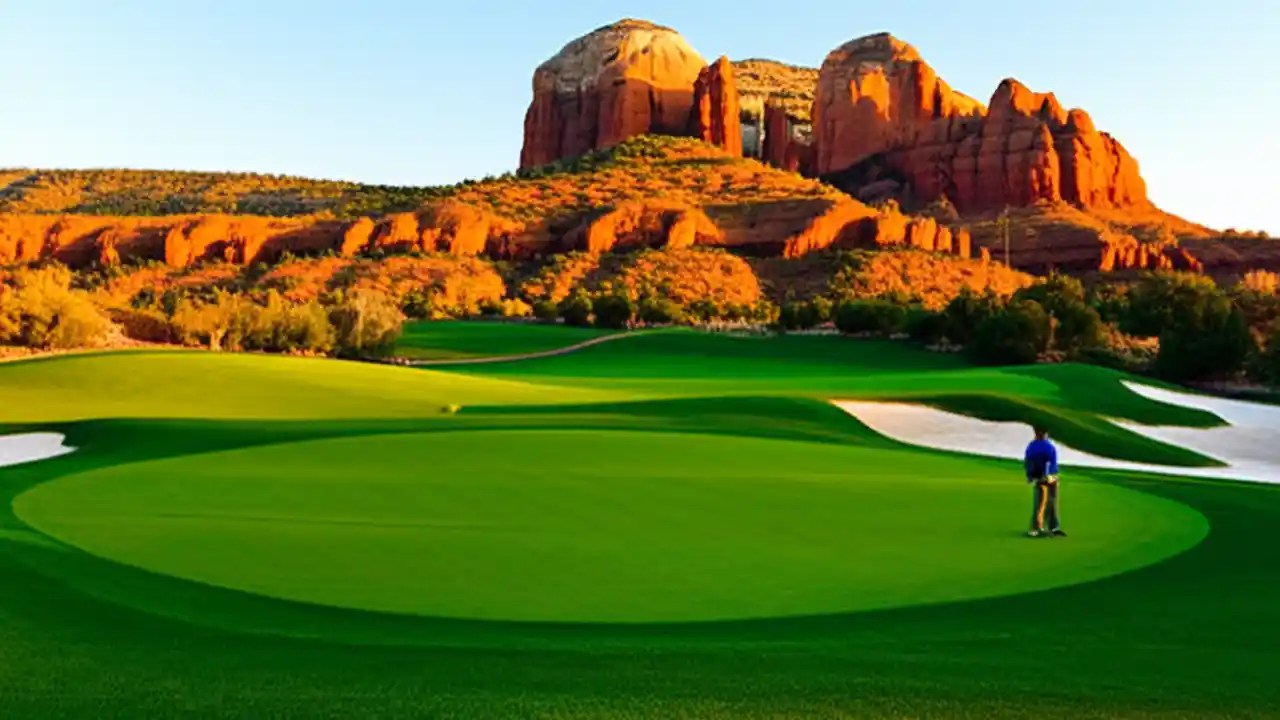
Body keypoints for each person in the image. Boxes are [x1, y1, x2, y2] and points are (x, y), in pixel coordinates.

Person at [1024, 426, 1066, 538]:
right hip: (1048, 478)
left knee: (1041, 503)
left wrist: (1029, 476)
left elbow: (1028, 463)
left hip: (1040, 478)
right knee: (1048, 502)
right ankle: (1047, 528)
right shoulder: (1048, 447)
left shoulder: (1031, 446)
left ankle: (1039, 528)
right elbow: (1050, 463)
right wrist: (1048, 476)